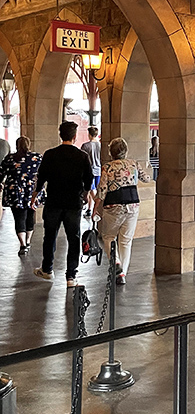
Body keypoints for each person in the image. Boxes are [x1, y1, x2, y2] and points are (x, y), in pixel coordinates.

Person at [32, 120, 93, 288]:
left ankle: (47, 269)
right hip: (73, 203)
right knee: (73, 238)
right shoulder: (82, 156)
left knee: (49, 236)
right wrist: (86, 195)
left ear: (60, 135)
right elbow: (88, 181)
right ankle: (71, 277)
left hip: (53, 202)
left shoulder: (50, 154)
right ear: (74, 136)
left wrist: (34, 196)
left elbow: (41, 177)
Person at [94, 138, 150, 286]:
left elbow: (102, 190)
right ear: (126, 151)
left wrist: (95, 208)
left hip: (113, 205)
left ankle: (116, 262)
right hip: (132, 204)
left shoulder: (107, 167)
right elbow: (146, 178)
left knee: (108, 237)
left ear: (110, 152)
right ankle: (122, 274)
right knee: (126, 241)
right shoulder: (134, 164)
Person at [0, 136, 42, 255]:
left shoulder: (10, 158)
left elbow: (1, 172)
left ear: (17, 145)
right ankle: (28, 241)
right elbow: (43, 173)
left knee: (19, 218)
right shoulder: (37, 157)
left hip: (15, 192)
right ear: (29, 144)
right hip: (32, 191)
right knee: (30, 216)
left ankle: (23, 244)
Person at [80, 126, 101, 218]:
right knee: (97, 190)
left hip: (90, 171)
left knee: (91, 190)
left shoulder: (85, 146)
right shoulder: (101, 145)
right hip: (99, 170)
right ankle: (91, 208)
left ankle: (95, 206)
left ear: (89, 134)